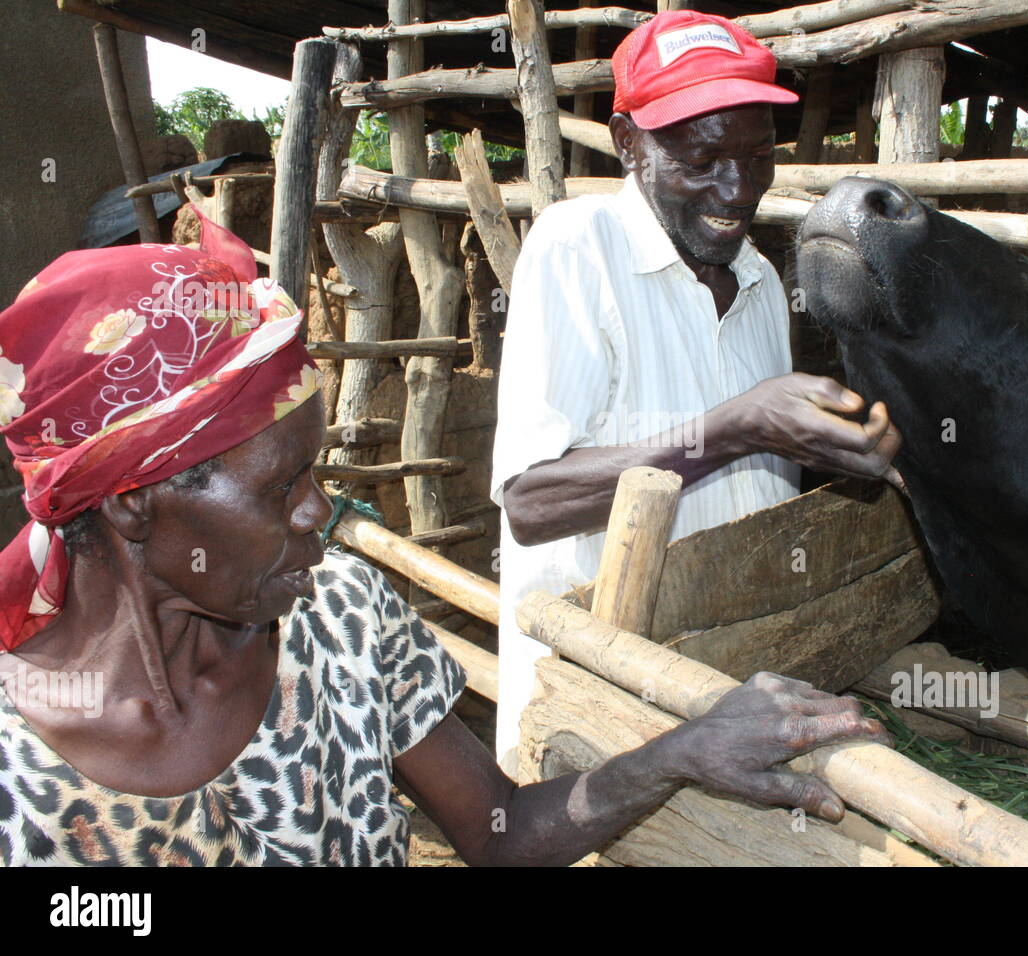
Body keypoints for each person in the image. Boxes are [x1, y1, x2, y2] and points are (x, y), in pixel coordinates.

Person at [0, 212, 887, 866]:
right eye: (281, 486)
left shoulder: (340, 619)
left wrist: (680, 754)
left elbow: (498, 830)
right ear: (131, 505)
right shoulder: (18, 780)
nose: (319, 511)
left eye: (315, 471)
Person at [492, 10, 902, 769]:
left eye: (756, 156)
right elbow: (531, 503)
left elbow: (754, 480)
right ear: (627, 143)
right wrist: (737, 427)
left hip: (740, 689)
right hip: (598, 718)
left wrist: (836, 450)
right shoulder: (578, 249)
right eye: (704, 158)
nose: (737, 189)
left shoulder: (759, 280)